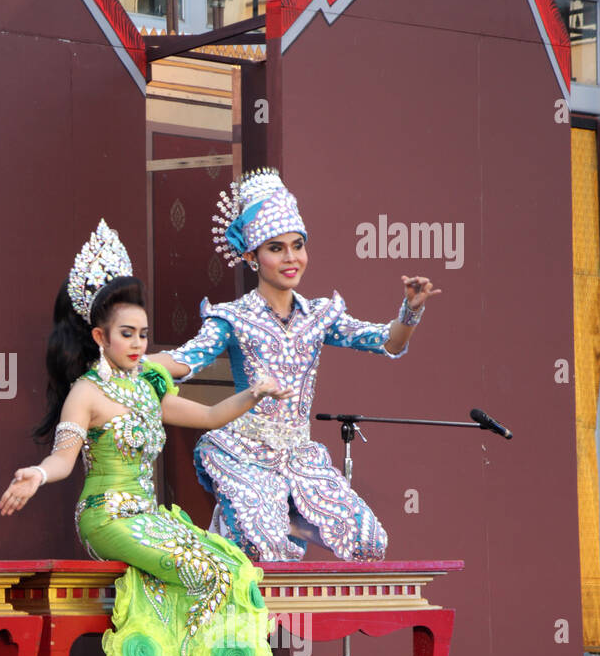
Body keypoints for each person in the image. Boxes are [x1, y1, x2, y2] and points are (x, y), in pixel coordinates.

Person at [0, 219, 297, 656]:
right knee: (203, 570)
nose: (137, 344)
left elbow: (203, 417)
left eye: (143, 335)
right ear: (100, 337)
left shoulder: (148, 387)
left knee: (233, 566)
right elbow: (62, 460)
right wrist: (37, 475)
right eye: (126, 335)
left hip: (150, 518)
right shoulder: (87, 393)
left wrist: (254, 393)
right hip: (108, 518)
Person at [151, 168, 441, 562]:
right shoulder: (234, 317)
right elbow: (185, 361)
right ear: (252, 256)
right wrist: (126, 362)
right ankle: (253, 527)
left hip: (300, 456)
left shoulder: (320, 314)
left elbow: (387, 341)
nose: (291, 258)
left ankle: (278, 519)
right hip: (245, 451)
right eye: (276, 248)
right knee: (261, 547)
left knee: (369, 543)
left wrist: (410, 311)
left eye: (297, 245)